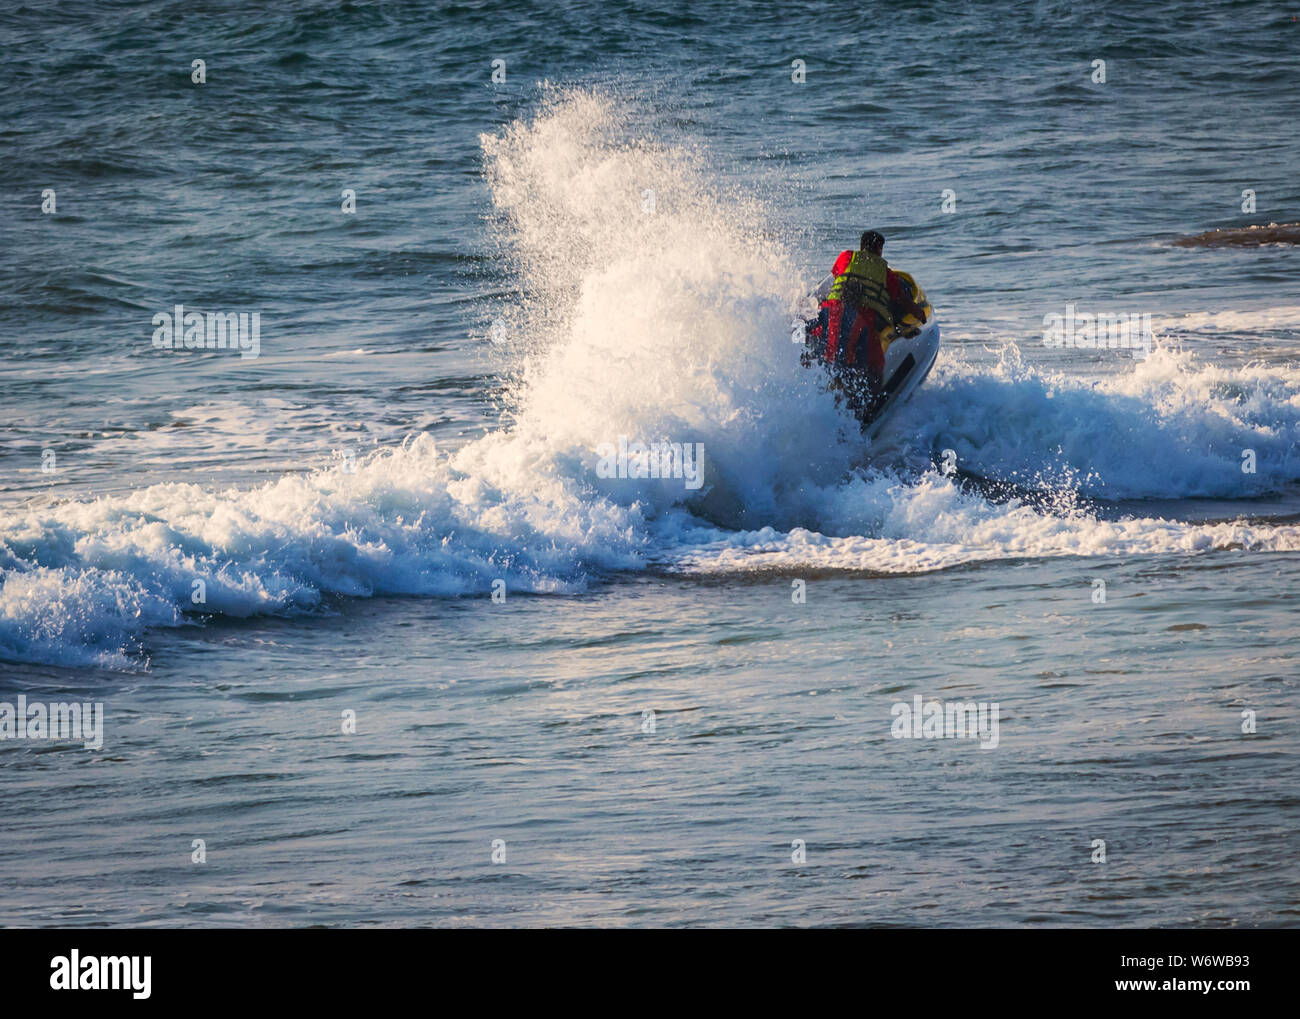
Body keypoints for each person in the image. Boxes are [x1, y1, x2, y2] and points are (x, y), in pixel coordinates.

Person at [807, 231, 926, 421]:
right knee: (873, 366)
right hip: (858, 319)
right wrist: (919, 313)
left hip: (829, 312)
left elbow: (835, 278)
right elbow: (901, 300)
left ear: (861, 246)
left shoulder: (846, 256)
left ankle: (818, 396)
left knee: (826, 354)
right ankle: (867, 411)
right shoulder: (885, 272)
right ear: (879, 249)